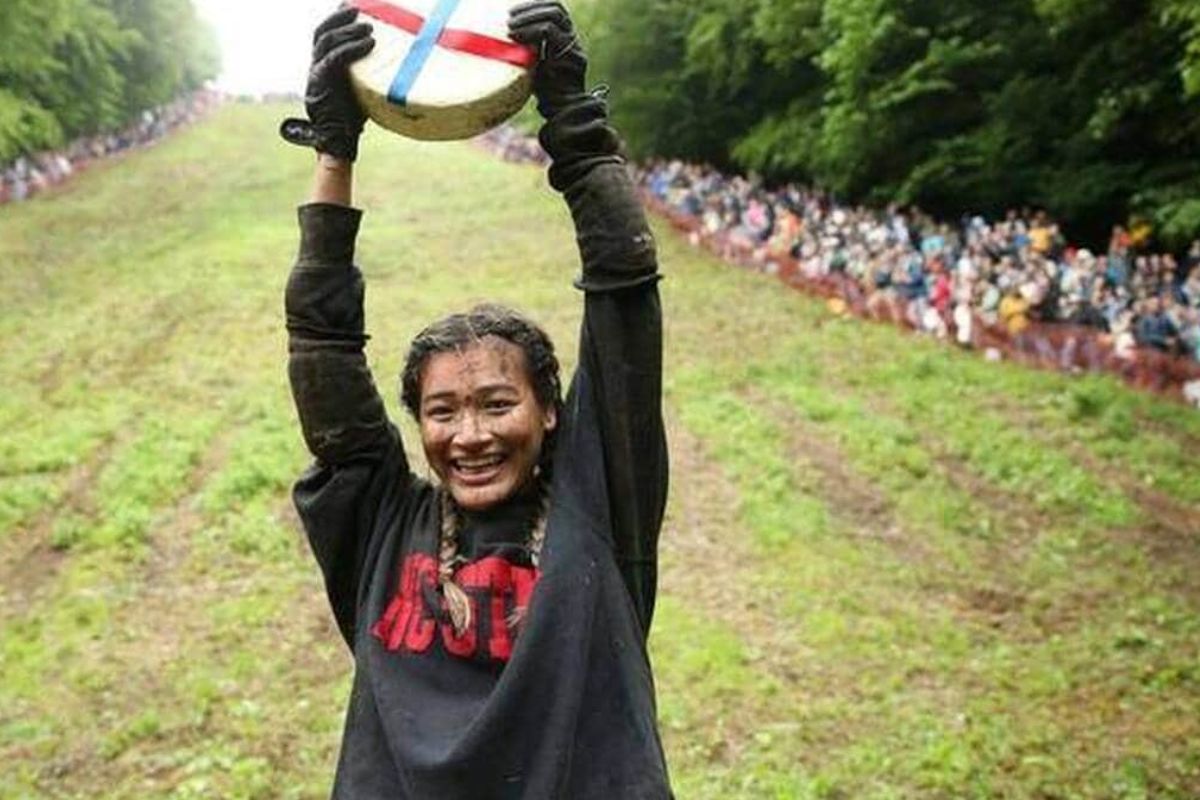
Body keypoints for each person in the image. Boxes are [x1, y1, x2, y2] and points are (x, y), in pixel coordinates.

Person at [280, 3, 672, 798]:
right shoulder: (383, 522)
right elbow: (322, 347)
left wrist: (574, 120)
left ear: (551, 412)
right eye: (442, 412)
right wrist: (333, 151)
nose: (469, 435)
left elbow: (624, 297)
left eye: (498, 404)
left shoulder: (598, 507)